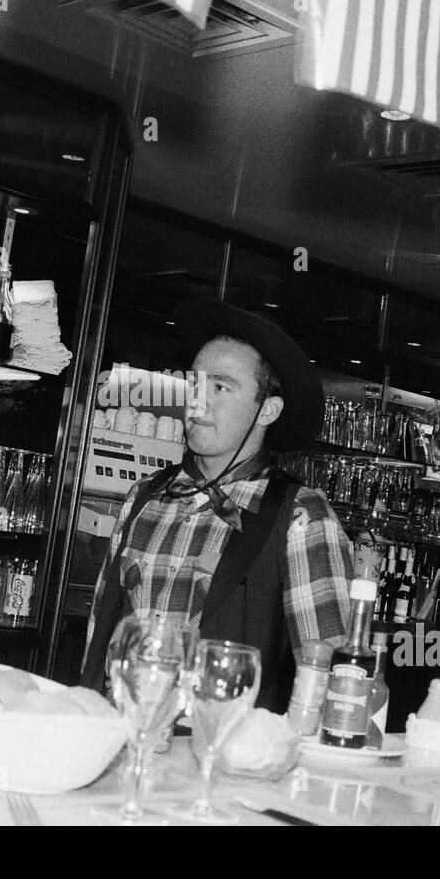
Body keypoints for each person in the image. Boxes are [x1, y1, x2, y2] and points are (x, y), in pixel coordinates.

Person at [80, 300, 352, 711]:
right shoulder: (145, 497)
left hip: (222, 756)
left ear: (269, 410)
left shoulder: (301, 516)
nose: (197, 403)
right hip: (124, 739)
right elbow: (99, 637)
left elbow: (328, 675)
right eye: (194, 385)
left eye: (221, 388)